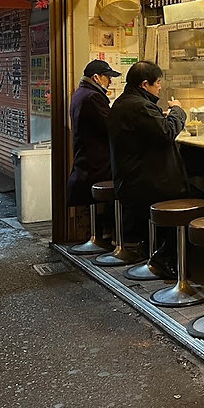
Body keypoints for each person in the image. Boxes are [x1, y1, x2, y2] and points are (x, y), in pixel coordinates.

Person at [108, 60, 189, 276]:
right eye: (158, 83)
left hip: (131, 179)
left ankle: (152, 249)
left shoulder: (123, 102)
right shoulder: (140, 106)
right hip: (146, 184)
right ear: (145, 84)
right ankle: (163, 257)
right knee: (194, 199)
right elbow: (167, 133)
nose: (160, 87)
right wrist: (178, 111)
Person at [66, 60, 121, 229]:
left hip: (86, 163)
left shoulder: (80, 93)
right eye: (108, 77)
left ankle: (103, 234)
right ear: (96, 78)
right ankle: (116, 235)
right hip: (97, 165)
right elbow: (111, 127)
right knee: (128, 186)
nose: (110, 81)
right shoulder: (93, 97)